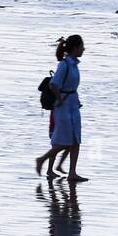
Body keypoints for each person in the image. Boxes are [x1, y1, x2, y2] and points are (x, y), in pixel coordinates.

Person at [36, 35, 86, 182]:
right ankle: (42, 159)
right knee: (65, 141)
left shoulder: (74, 65)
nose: (83, 49)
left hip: (73, 103)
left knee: (76, 140)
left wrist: (76, 100)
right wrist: (60, 99)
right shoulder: (64, 65)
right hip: (63, 106)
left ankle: (72, 172)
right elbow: (54, 84)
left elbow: (72, 86)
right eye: (81, 46)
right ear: (75, 48)